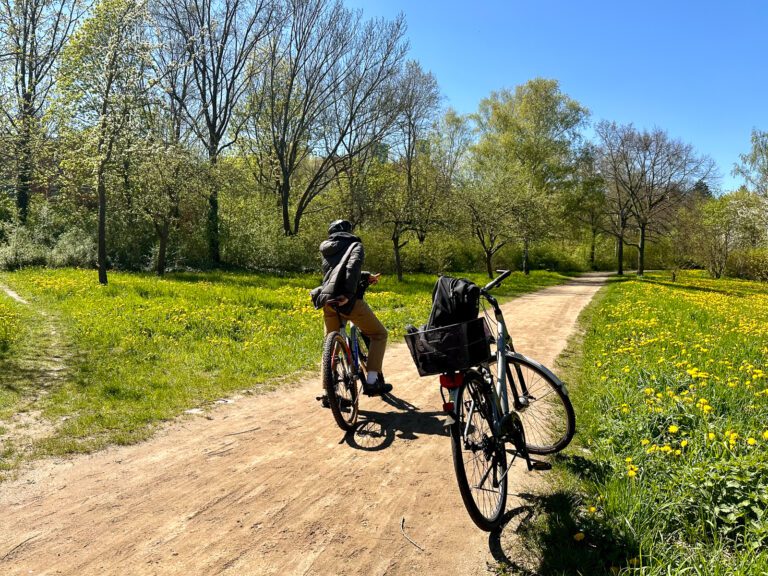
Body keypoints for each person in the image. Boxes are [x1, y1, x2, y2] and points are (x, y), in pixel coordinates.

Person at [319, 219, 391, 396]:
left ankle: (329, 392)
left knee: (331, 344)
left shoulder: (326, 248)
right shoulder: (355, 245)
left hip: (327, 300)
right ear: (349, 231)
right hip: (348, 301)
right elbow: (351, 268)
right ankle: (373, 381)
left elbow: (336, 271)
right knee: (379, 334)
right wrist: (348, 295)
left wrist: (365, 276)